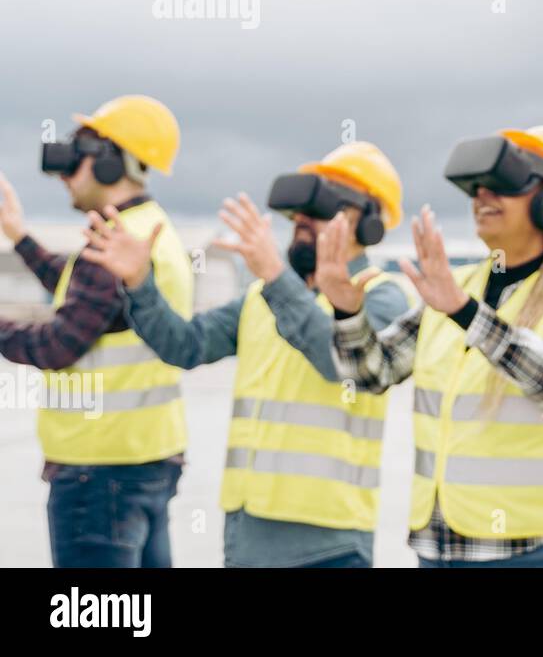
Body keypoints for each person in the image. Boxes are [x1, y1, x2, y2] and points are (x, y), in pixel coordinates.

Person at [79, 142, 410, 568]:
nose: (303, 221)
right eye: (298, 214)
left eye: (321, 208)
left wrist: (275, 275)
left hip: (332, 546)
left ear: (368, 224)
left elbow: (343, 366)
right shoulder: (260, 297)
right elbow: (185, 345)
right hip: (247, 537)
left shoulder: (381, 295)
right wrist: (140, 282)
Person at [315, 123, 543, 567]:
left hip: (539, 549)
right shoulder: (454, 287)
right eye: (476, 187)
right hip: (442, 545)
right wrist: (347, 313)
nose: (481, 197)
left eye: (503, 184)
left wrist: (464, 312)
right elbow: (371, 374)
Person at [0, 96, 192, 567]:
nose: (65, 172)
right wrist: (19, 236)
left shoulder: (113, 244)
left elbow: (55, 345)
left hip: (99, 472)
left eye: (76, 156)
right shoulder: (150, 230)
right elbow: (82, 293)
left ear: (109, 164)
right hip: (147, 458)